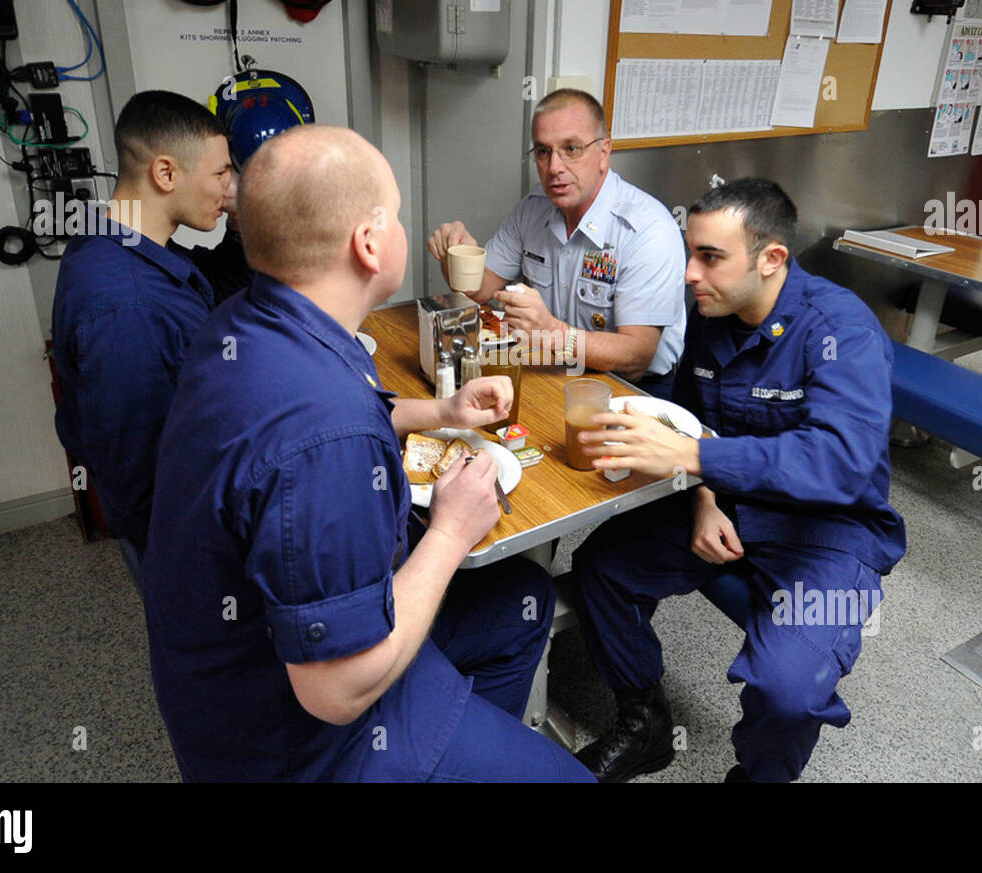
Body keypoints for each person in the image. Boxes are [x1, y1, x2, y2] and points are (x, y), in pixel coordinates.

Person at [142, 125, 594, 782]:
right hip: (306, 739)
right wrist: (450, 530)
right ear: (370, 242)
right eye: (401, 216)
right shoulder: (326, 430)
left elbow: (338, 413)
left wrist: (443, 412)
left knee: (517, 603)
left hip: (223, 670)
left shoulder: (245, 321)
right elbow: (336, 690)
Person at [570, 178, 907, 783]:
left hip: (827, 529)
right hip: (727, 503)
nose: (689, 274)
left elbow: (840, 461)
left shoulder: (840, 330)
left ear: (771, 258)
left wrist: (695, 461)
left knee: (787, 691)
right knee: (602, 569)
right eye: (689, 252)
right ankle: (644, 722)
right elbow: (693, 416)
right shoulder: (713, 312)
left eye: (710, 257)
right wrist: (703, 498)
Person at [51, 90, 250, 573]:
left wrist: (243, 225)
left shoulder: (119, 241)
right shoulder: (126, 307)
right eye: (222, 172)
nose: (230, 186)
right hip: (178, 531)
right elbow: (139, 471)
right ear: (166, 173)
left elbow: (207, 285)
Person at [427, 89, 687, 400]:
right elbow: (480, 291)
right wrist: (457, 255)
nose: (554, 168)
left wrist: (551, 332)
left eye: (571, 149)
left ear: (604, 152)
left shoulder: (648, 229)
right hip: (552, 368)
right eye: (543, 152)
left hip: (631, 391)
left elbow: (636, 356)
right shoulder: (534, 208)